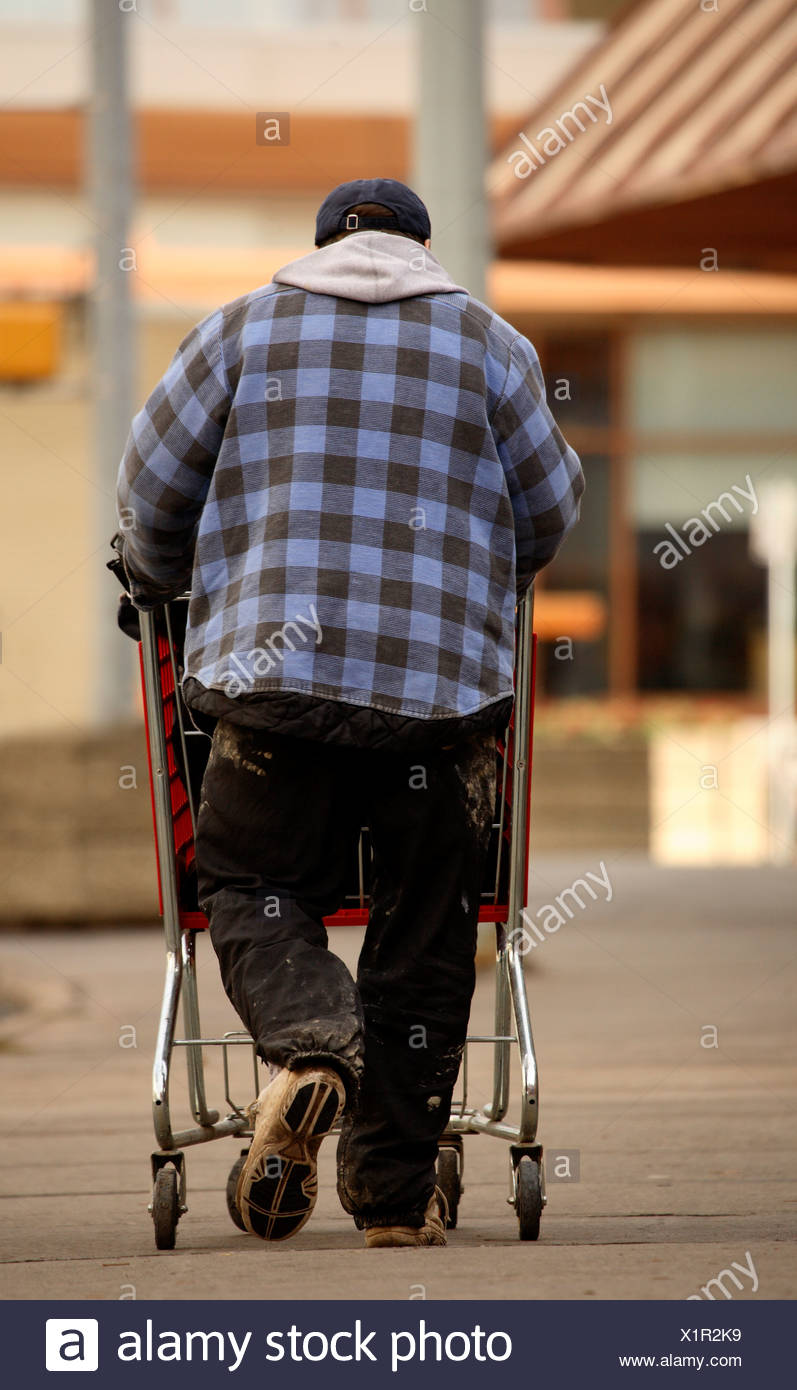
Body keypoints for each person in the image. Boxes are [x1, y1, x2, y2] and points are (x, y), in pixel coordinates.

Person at [115, 177, 583, 1248]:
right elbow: (549, 509)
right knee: (422, 937)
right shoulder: (490, 344)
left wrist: (158, 574)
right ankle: (389, 1201)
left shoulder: (240, 327)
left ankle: (311, 1041)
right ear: (422, 246)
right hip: (443, 706)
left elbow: (151, 488)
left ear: (322, 242)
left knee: (253, 884)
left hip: (272, 694)